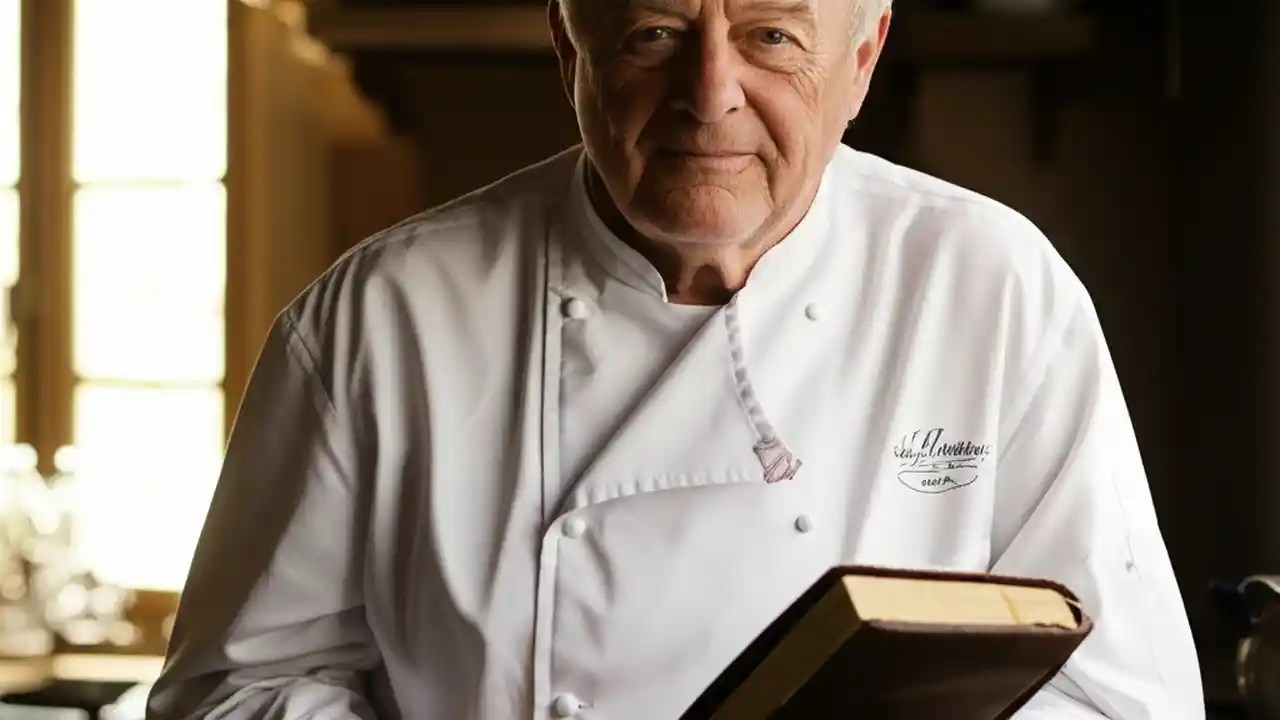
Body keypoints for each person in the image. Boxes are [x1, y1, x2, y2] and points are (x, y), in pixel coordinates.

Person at [146, 0, 1203, 717]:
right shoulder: (379, 318)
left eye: (770, 37)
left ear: (861, 58)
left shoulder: (992, 288)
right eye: (653, 32)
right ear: (571, 51)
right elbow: (234, 693)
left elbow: (1125, 697)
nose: (710, 94)